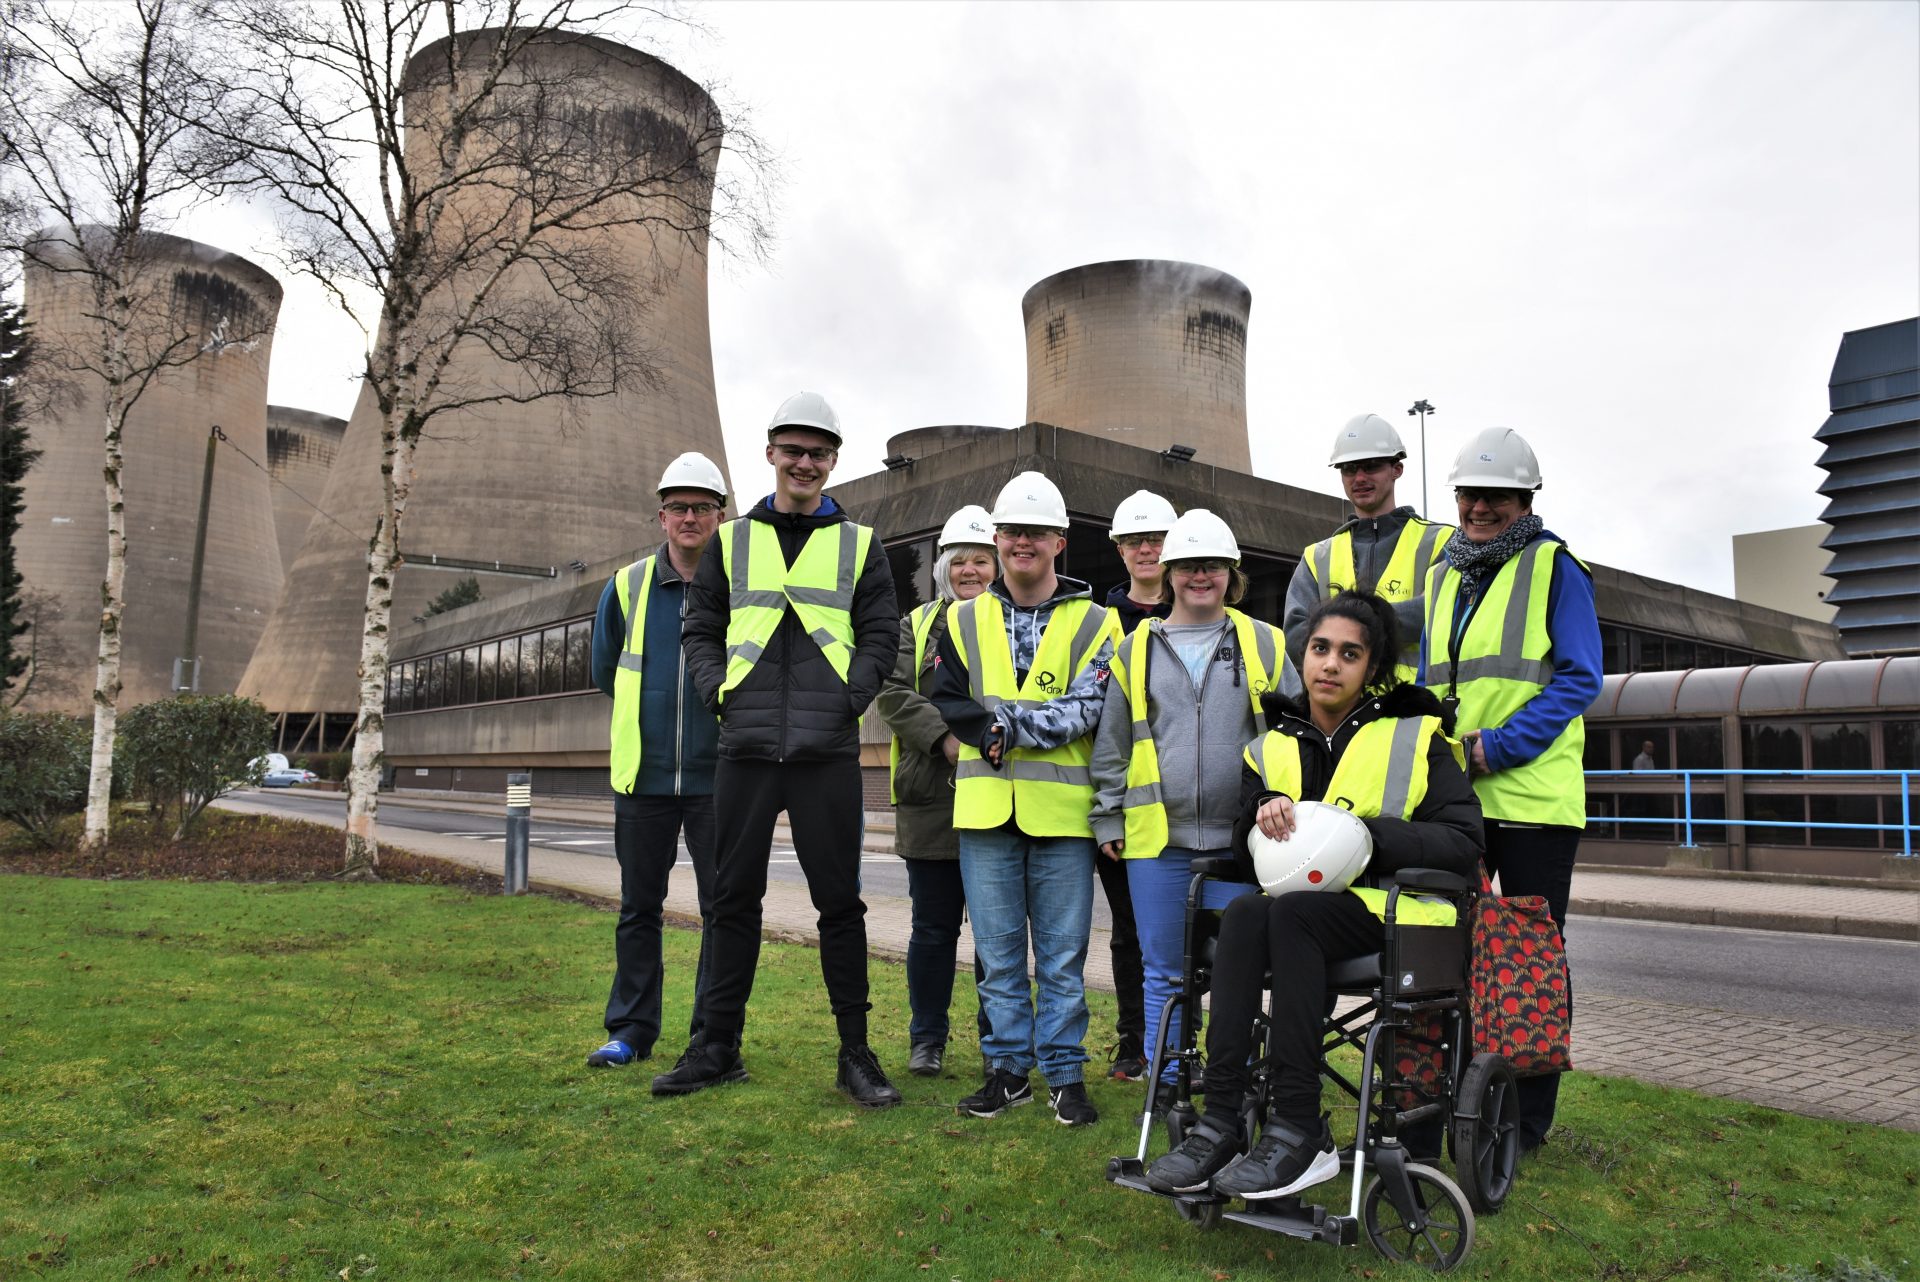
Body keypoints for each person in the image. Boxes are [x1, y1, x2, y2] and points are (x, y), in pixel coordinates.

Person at [1144, 591, 1483, 1200]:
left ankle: (1299, 1127)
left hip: (1394, 912)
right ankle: (1221, 1115)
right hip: (1298, 916)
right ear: (1303, 656)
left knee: (1291, 914)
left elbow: (1462, 842)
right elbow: (1251, 844)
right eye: (1320, 649)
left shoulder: (1416, 736)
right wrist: (1259, 814)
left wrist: (1360, 837)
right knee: (1247, 910)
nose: (1330, 664)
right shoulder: (1270, 745)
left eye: (1349, 654)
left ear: (1372, 668)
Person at [653, 391, 904, 1109]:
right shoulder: (730, 542)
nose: (804, 462)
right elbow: (699, 630)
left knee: (840, 907)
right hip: (748, 748)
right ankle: (716, 1047)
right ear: (769, 454)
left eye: (817, 453)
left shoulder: (863, 545)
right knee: (731, 901)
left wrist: (847, 700)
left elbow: (882, 636)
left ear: (833, 462)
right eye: (792, 450)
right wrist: (721, 694)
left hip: (826, 752)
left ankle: (855, 1054)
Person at [1421, 426, 1601, 1153]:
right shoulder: (1443, 575)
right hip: (1455, 802)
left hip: (1529, 803)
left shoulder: (1557, 568)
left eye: (1494, 496)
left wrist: (1499, 747)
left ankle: (1525, 1124)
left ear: (1524, 499)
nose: (1478, 508)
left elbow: (1579, 678)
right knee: (1449, 955)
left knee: (1528, 961)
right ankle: (1462, 1095)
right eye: (1469, 494)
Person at [1090, 508, 1299, 1094]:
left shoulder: (1265, 642)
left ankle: (1232, 1084)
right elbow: (1111, 744)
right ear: (1169, 571)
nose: (1198, 577)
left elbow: (1295, 736)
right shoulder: (1134, 650)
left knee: (1239, 972)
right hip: (1157, 841)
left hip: (1245, 843)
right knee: (1162, 971)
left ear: (1231, 573)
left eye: (1211, 566)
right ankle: (1169, 1086)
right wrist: (1108, 815)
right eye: (1187, 566)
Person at [931, 470, 1117, 1127]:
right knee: (1000, 957)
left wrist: (999, 725)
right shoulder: (959, 619)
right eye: (1010, 531)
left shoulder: (1100, 623)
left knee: (1063, 960)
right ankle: (1008, 1072)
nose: (1020, 543)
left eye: (1034, 532)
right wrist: (989, 727)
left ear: (1060, 542)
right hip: (985, 812)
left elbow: (1088, 709)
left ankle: (1066, 1076)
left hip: (1063, 817)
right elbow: (945, 698)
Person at [583, 452, 728, 1069]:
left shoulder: (741, 583)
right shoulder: (627, 585)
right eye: (678, 508)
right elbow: (605, 669)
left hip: (719, 779)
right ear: (661, 516)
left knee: (722, 911)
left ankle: (710, 1034)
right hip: (642, 780)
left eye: (701, 508)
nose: (688, 518)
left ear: (721, 516)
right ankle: (632, 1030)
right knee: (639, 908)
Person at [872, 504, 998, 1078]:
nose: (970, 570)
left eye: (981, 560)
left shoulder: (1016, 624)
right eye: (960, 561)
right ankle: (928, 1040)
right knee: (933, 928)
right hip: (933, 796)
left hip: (1003, 792)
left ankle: (1001, 1041)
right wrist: (947, 741)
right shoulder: (915, 625)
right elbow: (894, 691)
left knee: (998, 932)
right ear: (944, 567)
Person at [1096, 489, 1177, 1078]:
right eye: (1135, 541)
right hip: (1123, 802)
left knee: (1187, 935)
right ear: (1120, 549)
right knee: (1130, 931)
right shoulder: (1100, 624)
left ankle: (1182, 1041)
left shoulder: (1198, 613)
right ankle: (1134, 1042)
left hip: (1186, 803)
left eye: (1156, 540)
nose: (1146, 550)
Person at [1282, 413, 1453, 683]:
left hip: (1413, 709)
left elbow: (1439, 615)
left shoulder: (1442, 542)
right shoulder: (1318, 557)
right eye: (1349, 469)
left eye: (1371, 466)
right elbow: (1295, 637)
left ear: (1397, 469)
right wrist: (1394, 618)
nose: (1359, 477)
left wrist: (1333, 620)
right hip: (1338, 712)